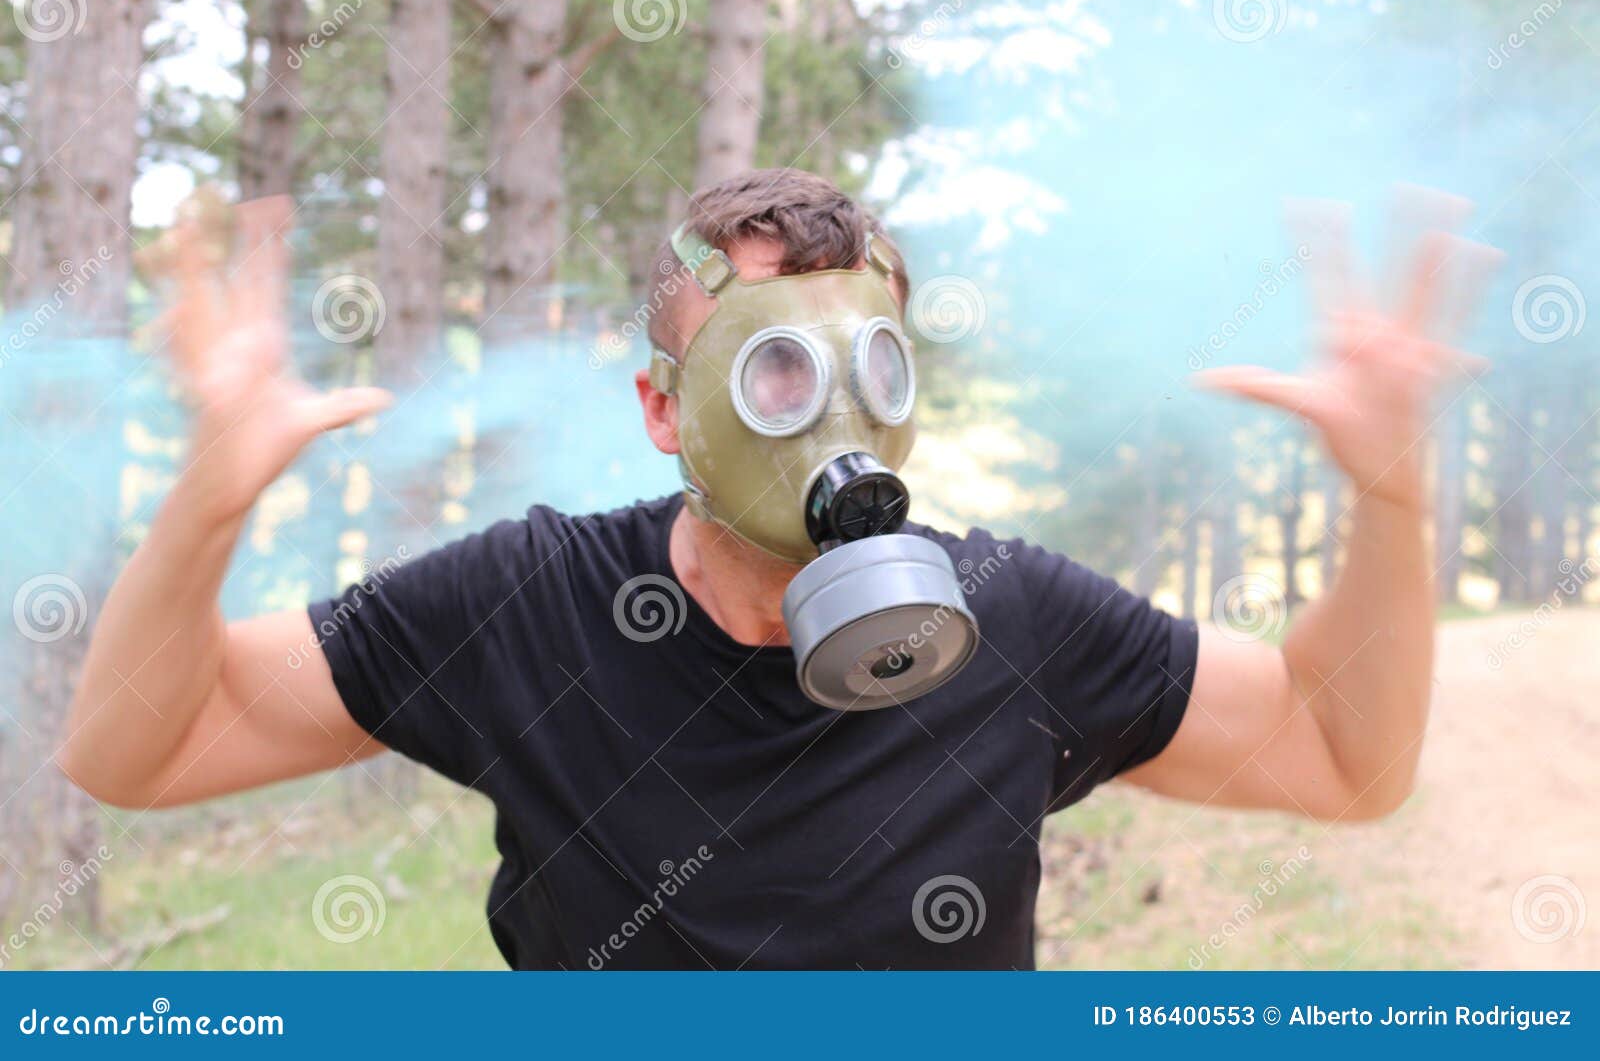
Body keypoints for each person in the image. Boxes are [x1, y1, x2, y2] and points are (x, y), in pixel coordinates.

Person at [61, 169, 1487, 968]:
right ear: (665, 409)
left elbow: (1340, 753)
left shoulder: (1010, 622)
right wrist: (207, 498)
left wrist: (1391, 491)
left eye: (871, 361)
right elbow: (140, 745)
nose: (838, 414)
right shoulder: (526, 605)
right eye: (776, 368)